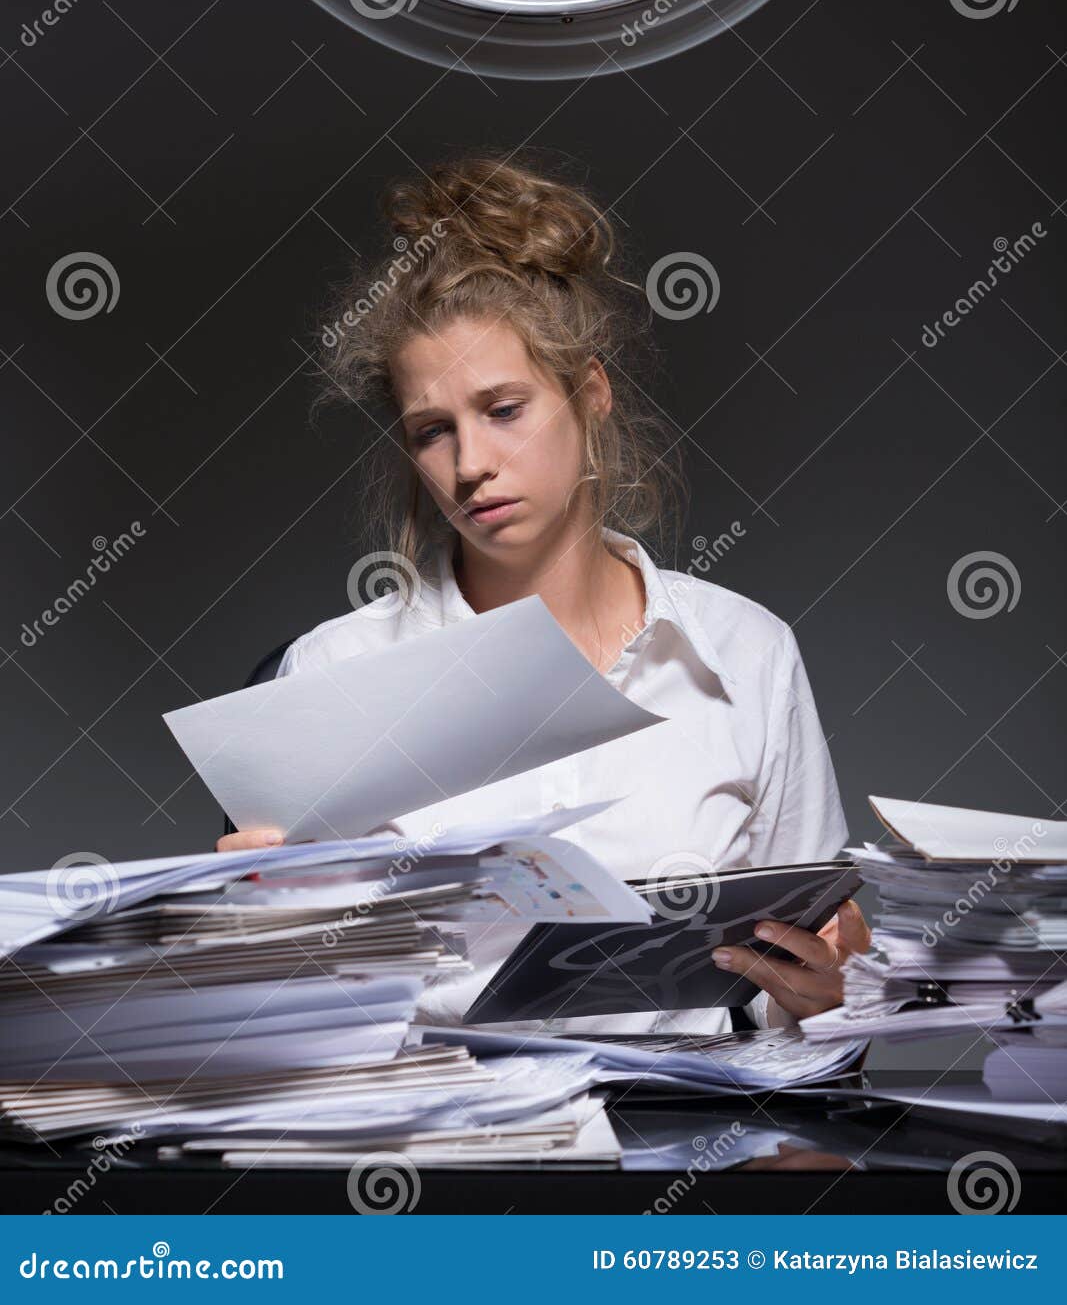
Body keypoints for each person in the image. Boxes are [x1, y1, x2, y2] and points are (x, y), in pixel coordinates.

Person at [219, 154, 869, 1033]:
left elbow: (811, 1016)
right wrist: (241, 934)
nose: (471, 463)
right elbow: (286, 1027)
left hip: (690, 1139)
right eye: (431, 430)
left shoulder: (745, 655)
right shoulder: (334, 671)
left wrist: (834, 995)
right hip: (431, 1151)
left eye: (504, 408)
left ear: (589, 393)